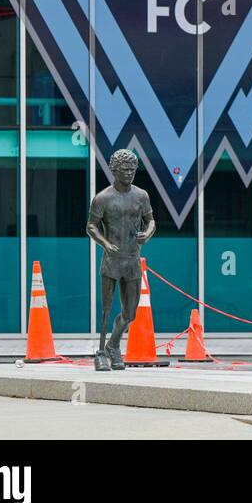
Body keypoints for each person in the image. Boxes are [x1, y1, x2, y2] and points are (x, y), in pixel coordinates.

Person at [87, 148, 156, 371]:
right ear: (114, 170)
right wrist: (105, 244)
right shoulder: (103, 198)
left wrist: (147, 234)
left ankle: (113, 344)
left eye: (132, 169)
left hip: (132, 258)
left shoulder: (141, 196)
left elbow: (151, 221)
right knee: (106, 309)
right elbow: (91, 226)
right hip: (111, 259)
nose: (129, 173)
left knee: (131, 312)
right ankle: (101, 352)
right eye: (125, 169)